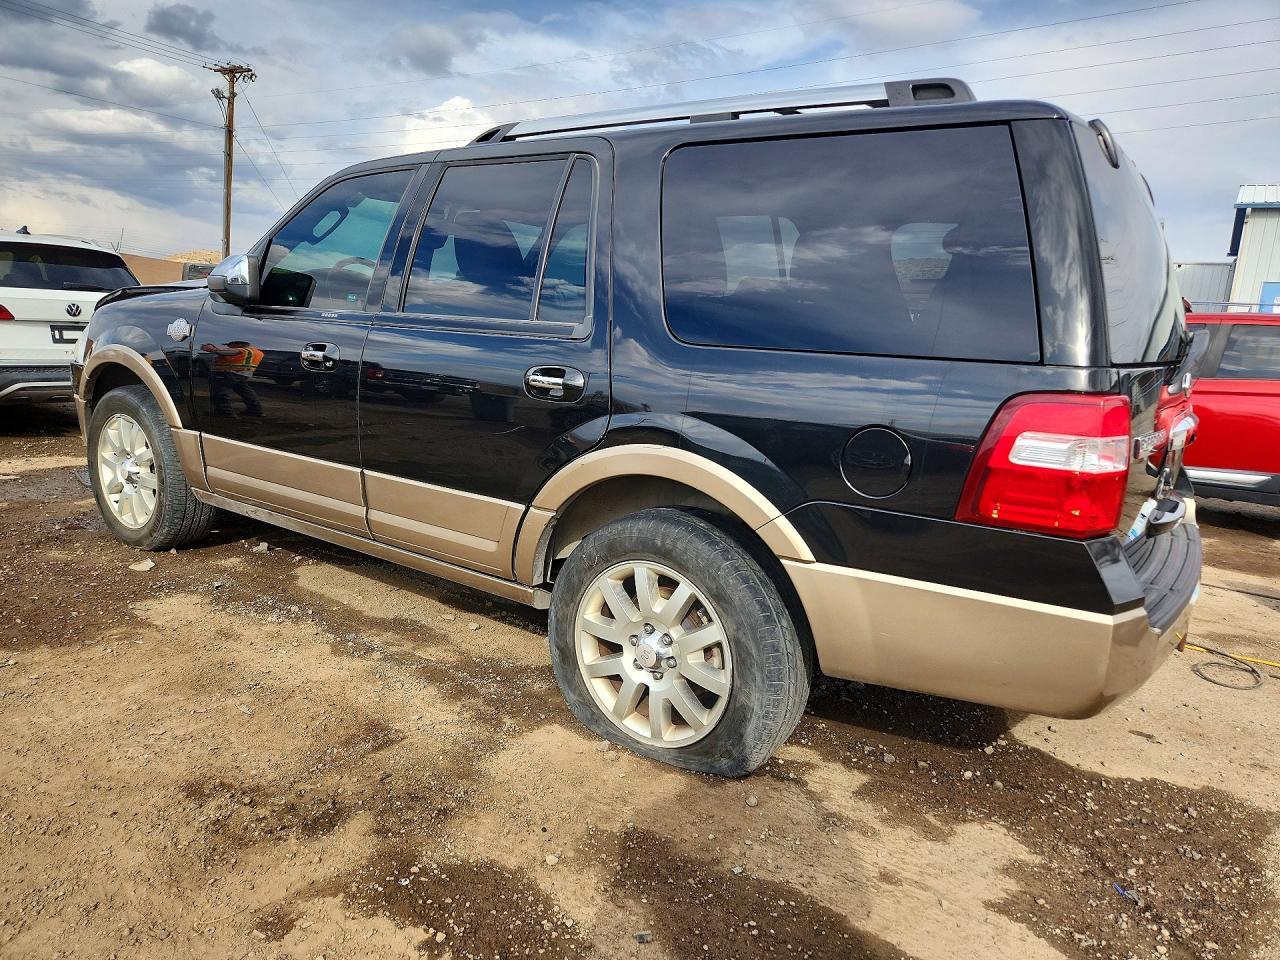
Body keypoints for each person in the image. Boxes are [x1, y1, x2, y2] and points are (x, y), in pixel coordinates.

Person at [202, 340, 264, 417]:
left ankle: (224, 412)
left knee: (220, 392)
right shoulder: (257, 352)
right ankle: (255, 410)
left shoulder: (240, 350)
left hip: (227, 373)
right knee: (247, 393)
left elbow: (222, 352)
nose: (228, 347)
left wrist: (211, 348)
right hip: (243, 374)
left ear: (237, 345)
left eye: (230, 345)